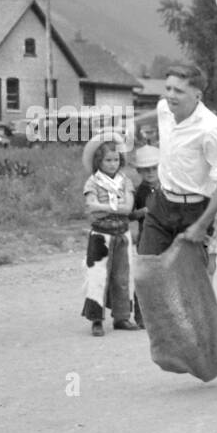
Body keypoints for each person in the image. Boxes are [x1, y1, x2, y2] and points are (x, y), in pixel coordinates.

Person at [137, 64, 217, 258]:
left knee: (189, 281)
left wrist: (201, 225)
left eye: (178, 91)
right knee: (146, 272)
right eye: (168, 88)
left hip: (194, 211)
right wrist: (133, 122)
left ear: (197, 95)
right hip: (161, 204)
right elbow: (159, 111)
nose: (170, 95)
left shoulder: (211, 129)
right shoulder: (165, 107)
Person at [80, 135, 138, 336]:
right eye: (108, 160)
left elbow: (128, 208)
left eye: (116, 160)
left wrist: (104, 207)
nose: (113, 164)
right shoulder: (93, 182)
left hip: (122, 233)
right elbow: (91, 207)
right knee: (98, 276)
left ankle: (122, 316)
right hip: (100, 236)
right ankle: (96, 318)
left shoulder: (125, 181)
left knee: (123, 275)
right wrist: (116, 207)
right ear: (98, 161)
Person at [127, 145, 159, 328]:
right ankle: (141, 315)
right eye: (146, 170)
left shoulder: (166, 189)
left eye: (154, 168)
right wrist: (143, 212)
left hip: (163, 237)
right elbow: (130, 214)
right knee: (144, 276)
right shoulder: (139, 192)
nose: (150, 173)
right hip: (145, 238)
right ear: (139, 171)